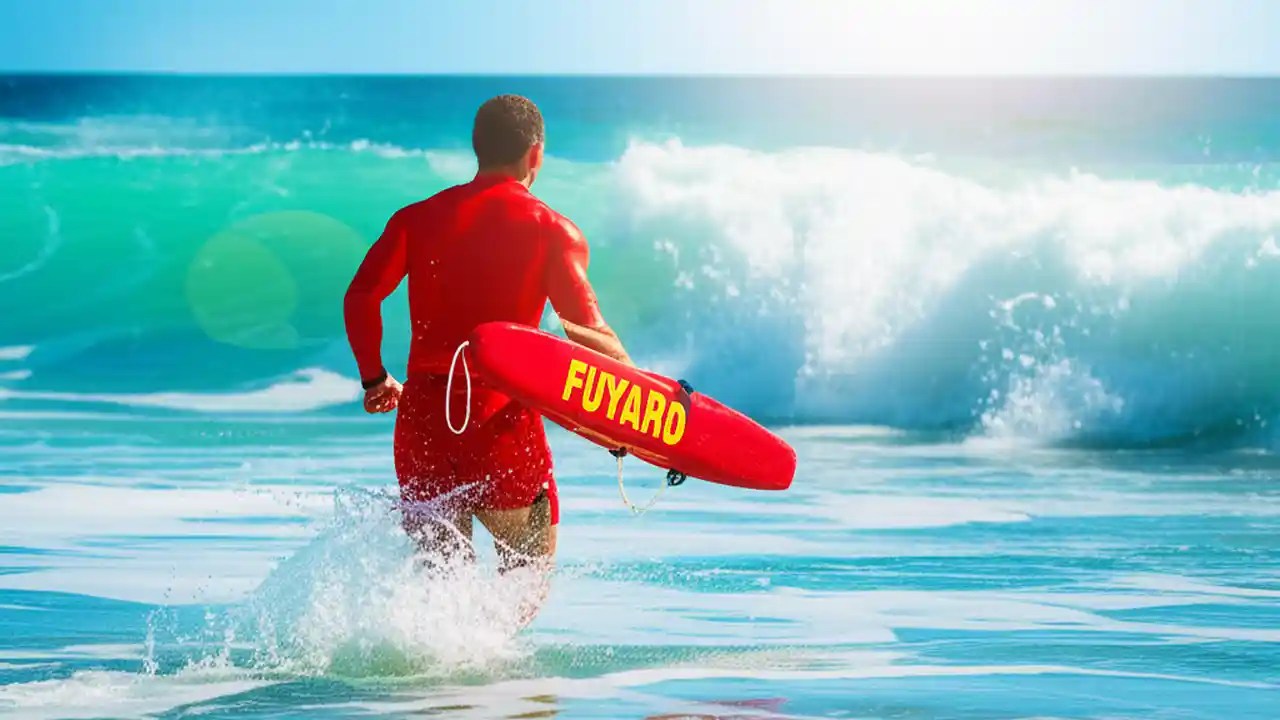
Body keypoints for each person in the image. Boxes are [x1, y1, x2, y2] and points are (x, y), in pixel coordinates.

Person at [343, 95, 631, 615]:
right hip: (502, 424)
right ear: (535, 155)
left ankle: (439, 698)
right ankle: (501, 698)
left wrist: (374, 378)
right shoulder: (550, 230)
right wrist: (638, 408)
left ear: (477, 150)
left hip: (424, 422)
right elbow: (586, 333)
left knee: (440, 599)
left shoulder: (417, 218)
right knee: (521, 595)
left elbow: (361, 296)